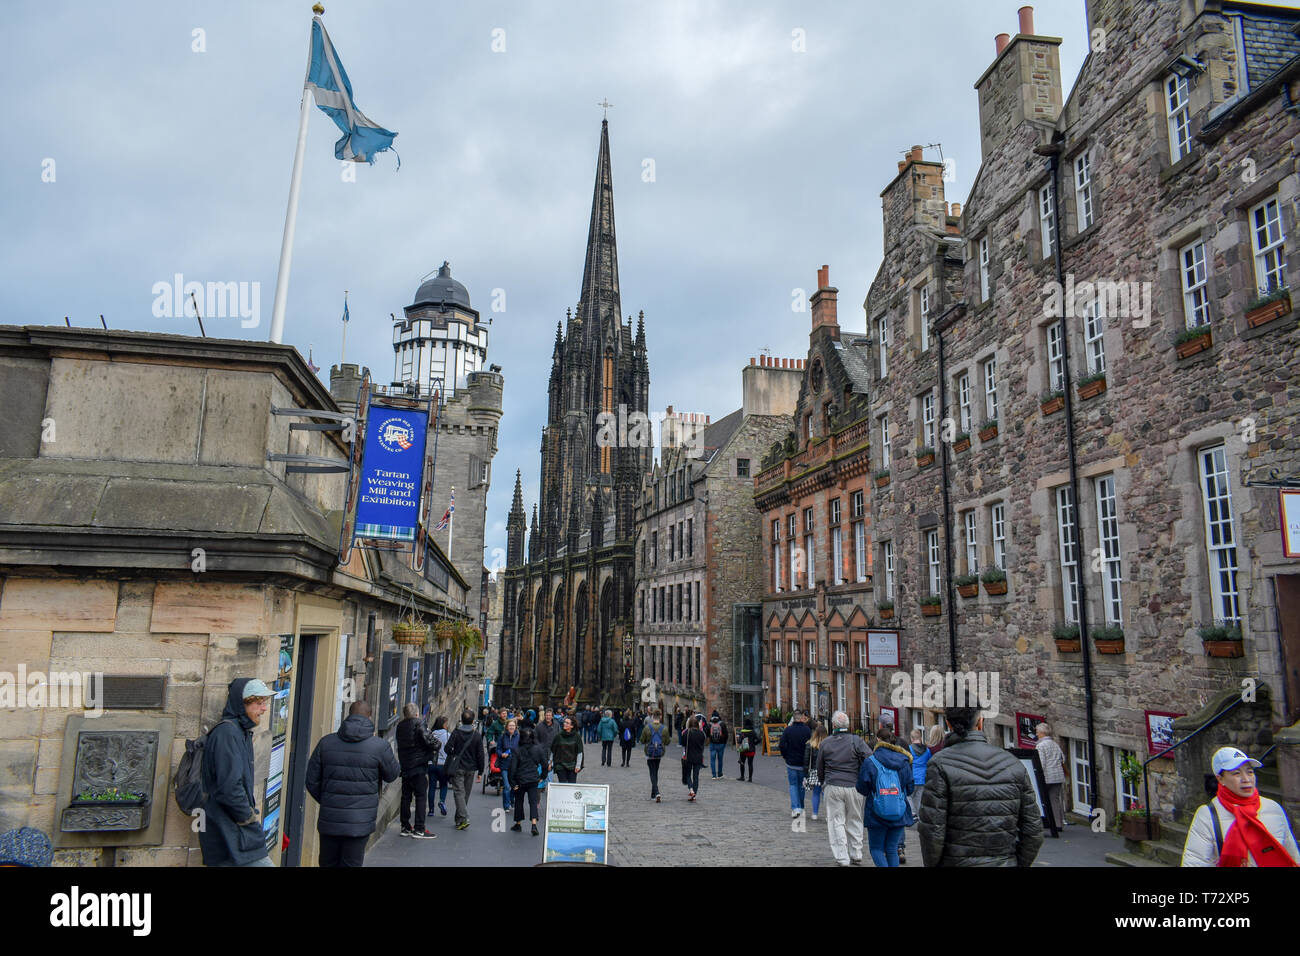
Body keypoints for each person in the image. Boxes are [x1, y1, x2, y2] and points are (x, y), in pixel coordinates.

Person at [918, 705, 1043, 867]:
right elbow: (1033, 830)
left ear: (948, 725)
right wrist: (1017, 862)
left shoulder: (940, 764)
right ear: (980, 722)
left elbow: (933, 830)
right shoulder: (1013, 763)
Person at [306, 699, 401, 866]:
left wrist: (329, 799)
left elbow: (311, 780)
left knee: (327, 863)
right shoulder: (379, 746)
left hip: (331, 818)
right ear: (370, 717)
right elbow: (392, 775)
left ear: (348, 716)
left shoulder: (326, 742)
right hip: (360, 821)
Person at [199, 677, 276, 867]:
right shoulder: (227, 734)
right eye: (259, 703)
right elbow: (229, 787)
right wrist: (247, 818)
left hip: (235, 832)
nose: (264, 708)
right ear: (243, 705)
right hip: (231, 832)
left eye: (264, 703)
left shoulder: (240, 732)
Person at [1181, 747, 1299, 866]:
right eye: (1236, 773)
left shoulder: (1274, 809)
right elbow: (1194, 862)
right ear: (1220, 778)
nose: (1246, 779)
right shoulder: (1208, 814)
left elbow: (1292, 856)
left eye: (1250, 772)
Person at [857, 726, 914, 867]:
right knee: (892, 849)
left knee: (876, 848)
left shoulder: (871, 762)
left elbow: (862, 788)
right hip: (899, 811)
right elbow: (910, 788)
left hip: (876, 812)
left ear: (878, 740)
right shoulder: (904, 761)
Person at [818, 711, 869, 865]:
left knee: (836, 821)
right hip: (854, 785)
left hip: (833, 784)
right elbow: (869, 757)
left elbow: (819, 766)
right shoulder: (856, 741)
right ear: (848, 725)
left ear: (833, 725)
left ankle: (842, 856)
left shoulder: (826, 743)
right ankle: (856, 852)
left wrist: (823, 782)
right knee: (855, 818)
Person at [395, 703, 439, 839]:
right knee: (420, 797)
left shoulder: (400, 726)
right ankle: (419, 828)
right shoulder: (419, 724)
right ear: (416, 713)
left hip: (406, 766)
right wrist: (437, 744)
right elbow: (429, 740)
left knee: (406, 797)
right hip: (418, 766)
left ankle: (405, 826)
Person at [443, 708, 485, 831]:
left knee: (459, 793)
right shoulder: (476, 735)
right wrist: (481, 771)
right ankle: (461, 819)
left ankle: (461, 818)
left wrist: (454, 753)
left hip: (458, 767)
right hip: (471, 768)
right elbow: (480, 755)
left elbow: (447, 748)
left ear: (461, 720)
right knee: (464, 794)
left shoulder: (456, 733)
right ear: (472, 721)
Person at [508, 726, 548, 836]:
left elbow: (512, 768)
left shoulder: (517, 750)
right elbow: (545, 764)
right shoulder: (538, 749)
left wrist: (512, 783)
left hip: (520, 779)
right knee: (533, 802)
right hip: (533, 778)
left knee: (519, 801)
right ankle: (534, 824)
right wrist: (542, 777)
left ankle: (518, 824)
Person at [1034, 722, 1066, 838]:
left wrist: (1037, 776)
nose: (1036, 734)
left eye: (1037, 731)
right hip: (1058, 776)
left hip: (1047, 777)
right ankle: (1058, 824)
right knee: (1055, 800)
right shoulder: (1054, 744)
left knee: (1041, 800)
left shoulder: (1041, 746)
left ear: (1042, 733)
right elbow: (1063, 758)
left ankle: (1044, 822)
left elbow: (1040, 763)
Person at [778, 710, 812, 818]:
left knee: (793, 785)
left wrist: (785, 756)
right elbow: (811, 746)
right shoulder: (807, 731)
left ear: (793, 718)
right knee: (801, 786)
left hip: (791, 762)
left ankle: (795, 808)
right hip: (803, 763)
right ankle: (801, 807)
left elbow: (782, 745)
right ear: (802, 718)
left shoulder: (788, 730)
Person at [641, 710, 670, 802]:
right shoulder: (664, 728)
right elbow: (667, 742)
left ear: (653, 717)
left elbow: (642, 740)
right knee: (655, 772)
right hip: (659, 753)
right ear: (660, 717)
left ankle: (656, 792)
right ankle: (653, 794)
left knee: (652, 773)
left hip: (650, 752)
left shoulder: (647, 728)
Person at [550, 715, 585, 783]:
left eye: (567, 723)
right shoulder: (558, 736)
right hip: (560, 764)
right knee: (562, 784)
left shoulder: (577, 736)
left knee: (571, 785)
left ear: (572, 726)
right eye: (564, 722)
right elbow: (553, 750)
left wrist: (578, 765)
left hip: (572, 764)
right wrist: (550, 762)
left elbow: (580, 752)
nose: (564, 724)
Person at [681, 712, 707, 800]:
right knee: (696, 776)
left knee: (688, 774)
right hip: (698, 757)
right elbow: (703, 744)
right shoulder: (701, 734)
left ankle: (691, 789)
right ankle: (694, 793)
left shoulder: (686, 733)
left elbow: (683, 744)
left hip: (689, 757)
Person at [428, 715, 451, 817]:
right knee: (443, 784)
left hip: (431, 764)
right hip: (443, 764)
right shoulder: (447, 735)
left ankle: (431, 810)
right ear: (443, 724)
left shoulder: (431, 734)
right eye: (446, 723)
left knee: (432, 786)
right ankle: (442, 801)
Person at [497, 718, 520, 813]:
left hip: (515, 765)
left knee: (514, 785)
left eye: (513, 726)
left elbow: (521, 749)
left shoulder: (519, 737)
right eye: (510, 726)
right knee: (506, 786)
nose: (511, 727)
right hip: (505, 764)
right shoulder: (502, 737)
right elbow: (498, 749)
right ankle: (506, 806)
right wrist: (501, 754)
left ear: (515, 727)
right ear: (507, 727)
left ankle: (512, 800)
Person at [804, 721, 827, 820]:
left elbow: (806, 759)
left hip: (814, 771)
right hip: (826, 771)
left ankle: (815, 813)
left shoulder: (810, 744)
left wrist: (805, 773)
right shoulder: (828, 744)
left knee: (816, 793)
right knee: (826, 794)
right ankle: (828, 815)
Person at [707, 711, 729, 780]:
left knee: (712, 760)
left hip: (712, 744)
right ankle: (719, 774)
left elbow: (707, 734)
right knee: (720, 760)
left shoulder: (710, 724)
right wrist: (724, 743)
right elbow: (726, 735)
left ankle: (714, 775)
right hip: (721, 744)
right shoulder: (722, 724)